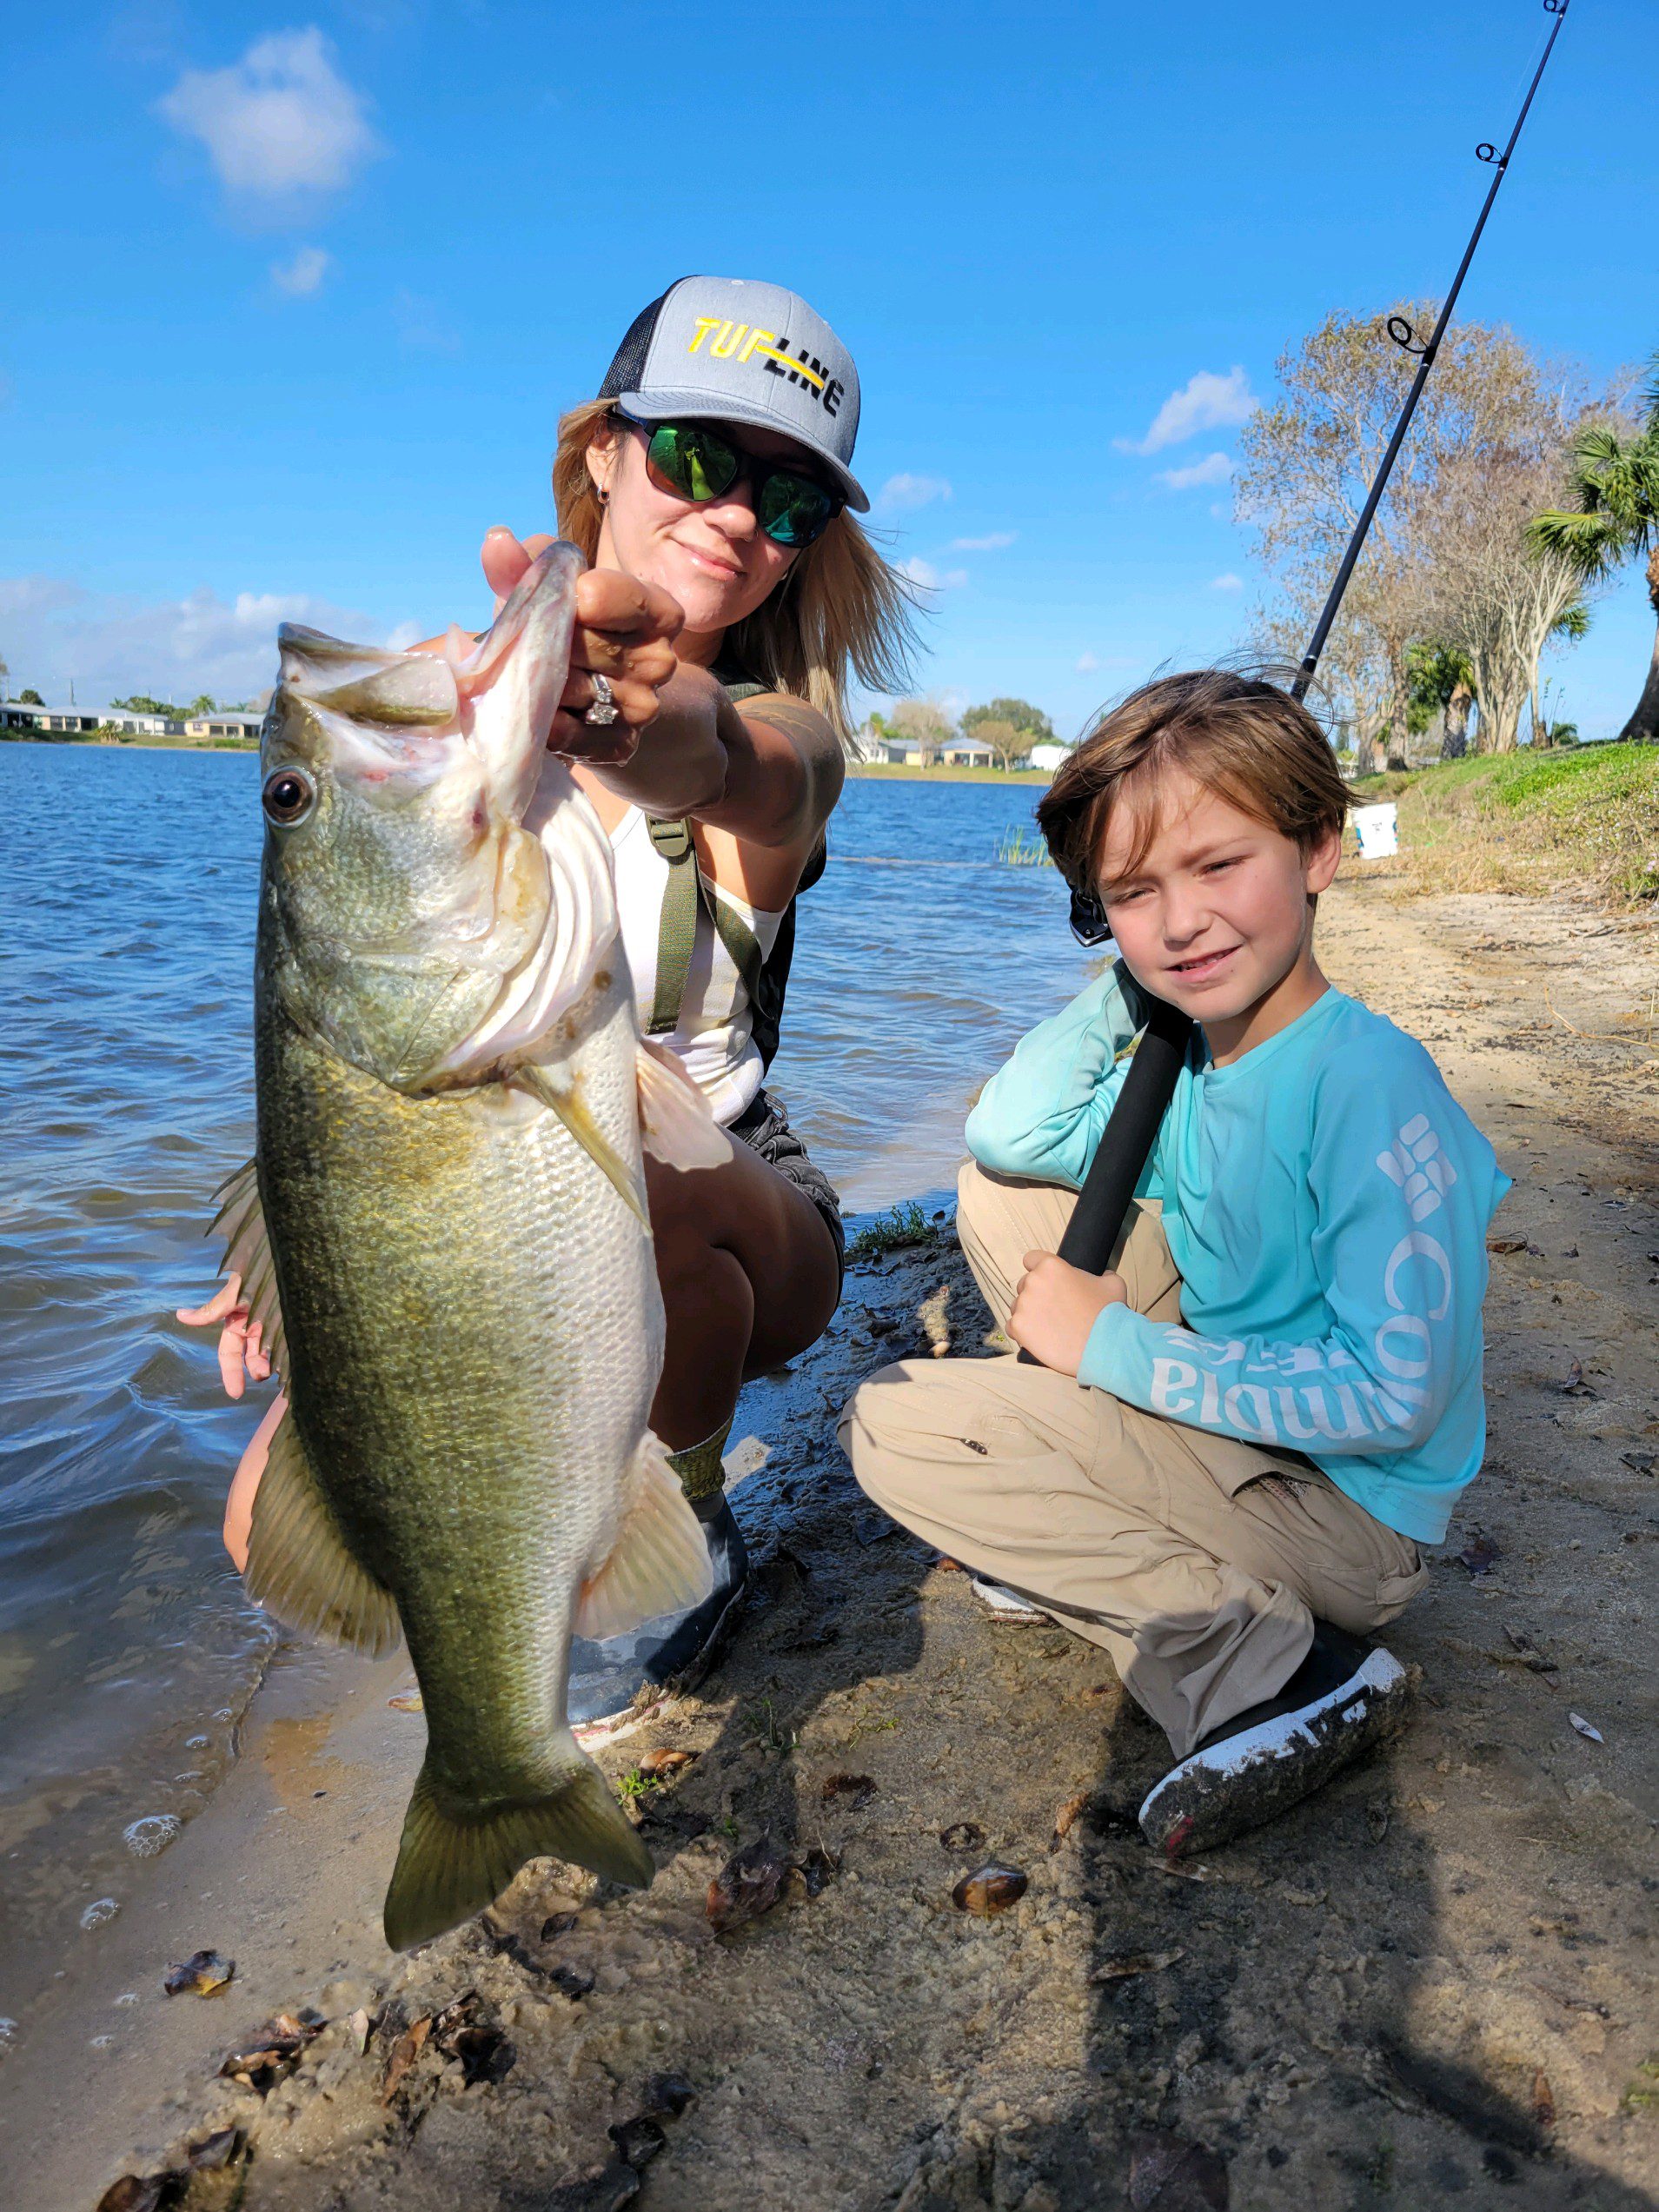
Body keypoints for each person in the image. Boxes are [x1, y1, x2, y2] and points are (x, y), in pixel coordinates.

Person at [186, 276, 919, 1732]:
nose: (732, 512)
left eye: (788, 503)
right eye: (700, 458)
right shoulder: (455, 722)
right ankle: (512, 1668)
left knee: (646, 1193)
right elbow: (353, 1020)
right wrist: (307, 1252)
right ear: (602, 451)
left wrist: (646, 722)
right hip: (513, 1199)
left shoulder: (777, 734)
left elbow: (749, 768)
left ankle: (680, 1542)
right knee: (271, 1498)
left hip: (740, 1208)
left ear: (802, 552)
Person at [840, 669, 1510, 1857]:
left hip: (1342, 1513)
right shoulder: (1197, 1058)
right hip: (1243, 1422)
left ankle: (1278, 1671)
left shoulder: (1366, 1085)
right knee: (1000, 1202)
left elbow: (1392, 1393)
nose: (1181, 920)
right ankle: (1092, 1528)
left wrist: (1110, 1346)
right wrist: (1127, 993)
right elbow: (1006, 1133)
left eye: (1215, 866)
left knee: (900, 1425)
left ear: (1318, 849)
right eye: (1132, 893)